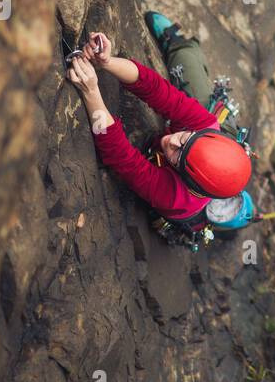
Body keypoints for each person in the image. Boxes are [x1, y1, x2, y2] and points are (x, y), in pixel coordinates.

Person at [65, 22, 252, 232]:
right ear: (202, 134)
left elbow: (119, 156)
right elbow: (156, 89)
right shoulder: (206, 125)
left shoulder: (175, 198)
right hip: (209, 135)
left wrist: (90, 92)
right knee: (187, 58)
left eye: (178, 155)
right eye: (184, 138)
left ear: (187, 180)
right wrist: (107, 62)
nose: (171, 141)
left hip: (171, 192)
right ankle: (180, 43)